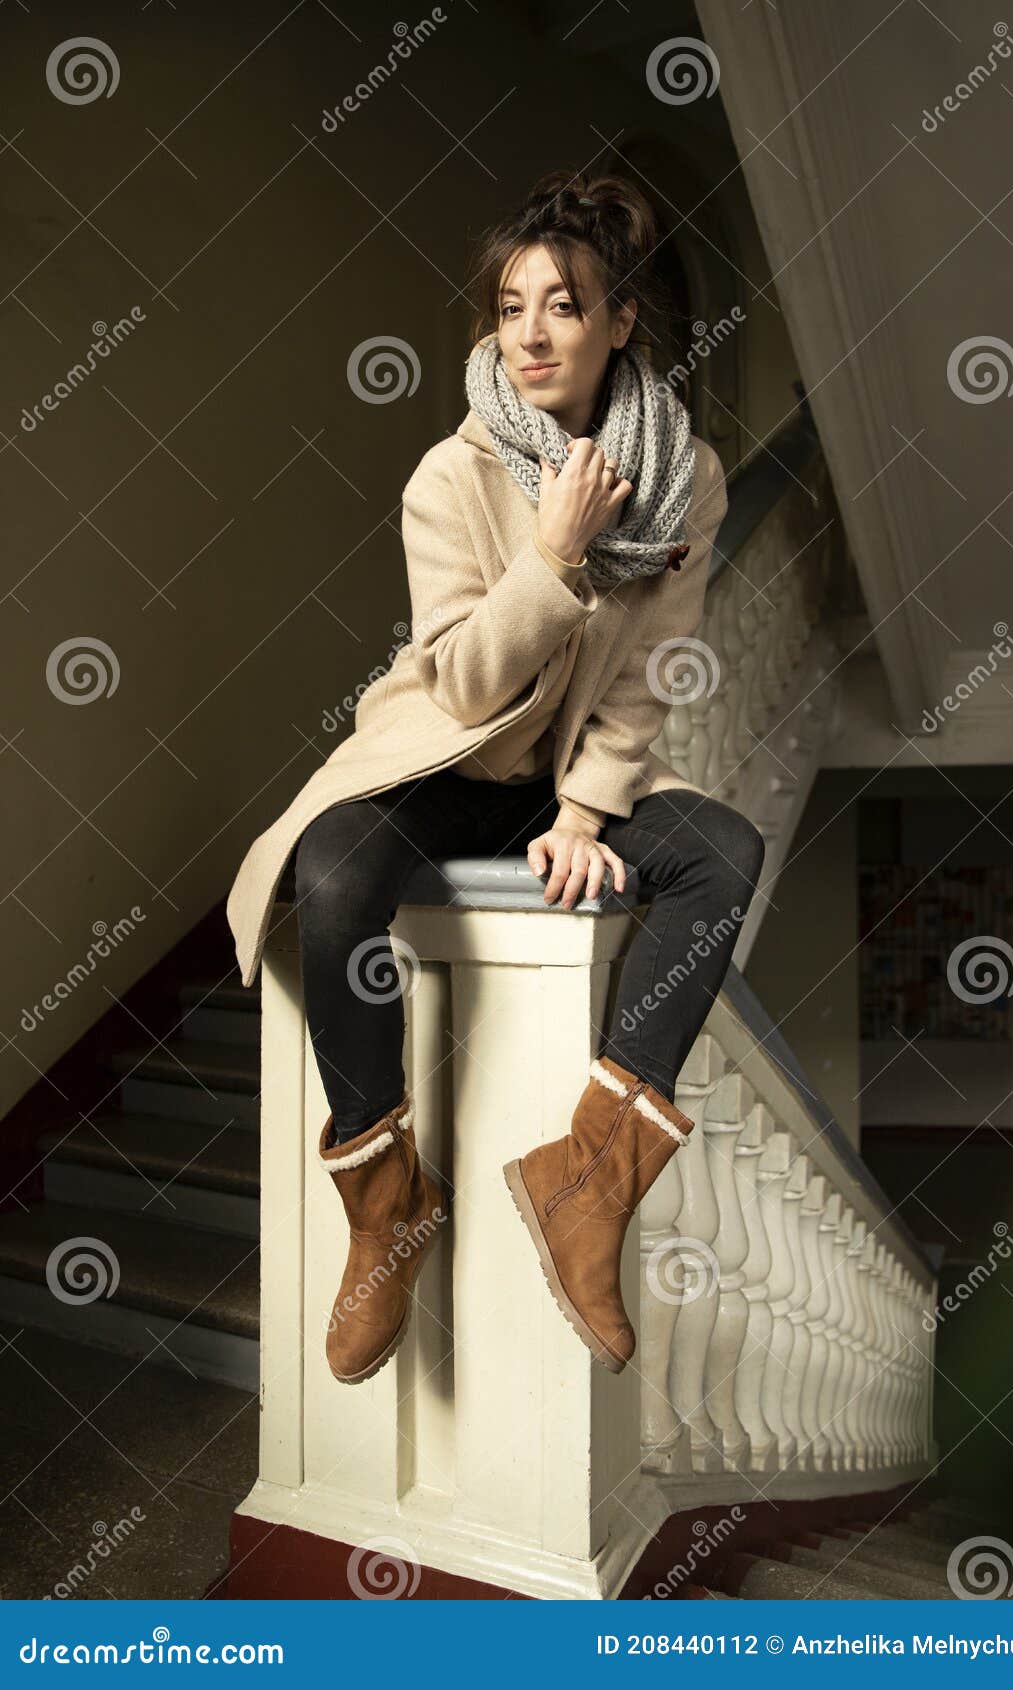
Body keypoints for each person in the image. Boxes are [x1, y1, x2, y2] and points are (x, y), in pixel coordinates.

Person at [225, 167, 765, 1386]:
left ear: (618, 322)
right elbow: (464, 684)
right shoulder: (449, 477)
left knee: (723, 850)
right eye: (507, 307)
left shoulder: (687, 477)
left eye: (561, 306)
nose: (527, 334)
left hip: (562, 777)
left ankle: (588, 1183)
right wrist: (553, 553)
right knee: (333, 866)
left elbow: (652, 670)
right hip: (448, 759)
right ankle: (385, 1197)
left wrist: (586, 809)